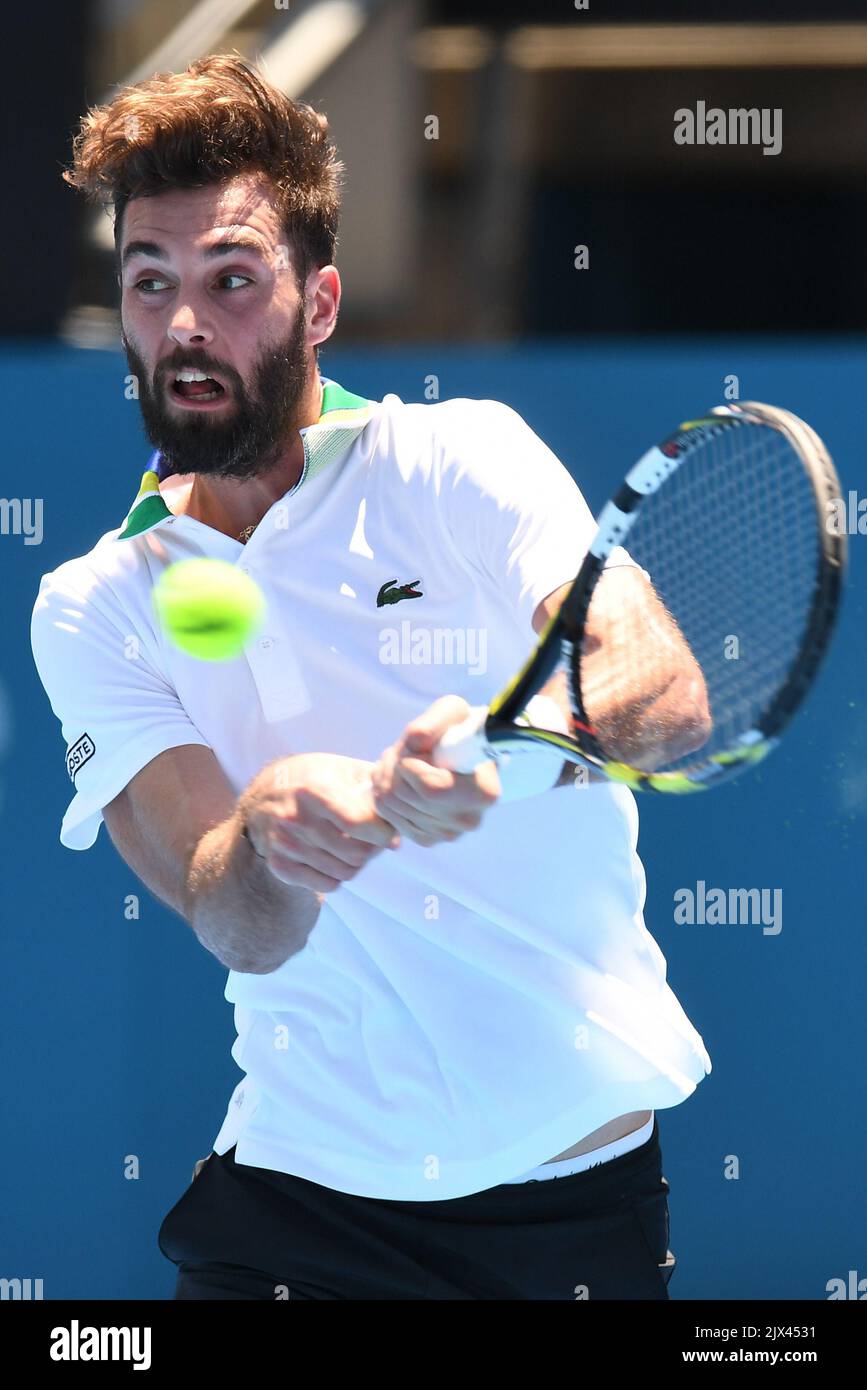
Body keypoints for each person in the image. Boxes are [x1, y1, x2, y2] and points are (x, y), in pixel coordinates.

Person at [30, 55, 711, 1300]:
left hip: (574, 1217)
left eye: (232, 280)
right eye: (150, 284)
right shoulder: (93, 606)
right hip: (296, 1219)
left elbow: (662, 690)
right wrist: (275, 836)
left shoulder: (460, 461)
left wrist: (512, 741)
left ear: (321, 302)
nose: (186, 325)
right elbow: (227, 915)